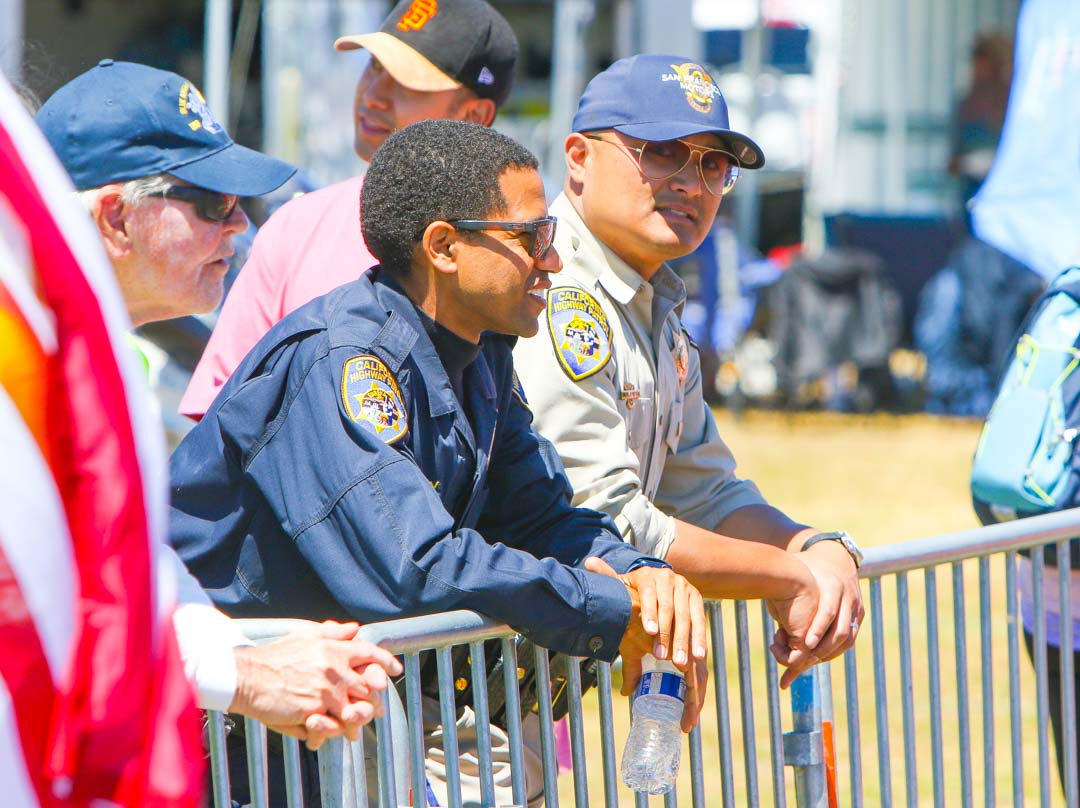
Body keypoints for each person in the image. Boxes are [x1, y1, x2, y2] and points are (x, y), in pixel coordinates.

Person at [168, 118, 711, 807]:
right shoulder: (347, 361)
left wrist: (643, 578)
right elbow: (413, 567)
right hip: (215, 733)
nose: (553, 260)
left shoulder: (480, 351)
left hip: (319, 722)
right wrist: (609, 610)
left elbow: (541, 516)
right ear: (444, 247)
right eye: (531, 238)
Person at [36, 59, 401, 750]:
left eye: (244, 205)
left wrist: (258, 658)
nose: (238, 225)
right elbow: (37, 596)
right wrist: (245, 677)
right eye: (212, 201)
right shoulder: (25, 362)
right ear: (115, 215)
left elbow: (137, 564)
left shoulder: (95, 354)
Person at [512, 54, 865, 682]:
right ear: (577, 158)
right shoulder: (547, 291)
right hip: (440, 701)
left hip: (525, 691)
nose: (690, 181)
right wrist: (791, 576)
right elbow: (601, 522)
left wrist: (812, 544)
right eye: (660, 150)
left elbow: (703, 490)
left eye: (714, 164)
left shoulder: (653, 301)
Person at [179, 0, 518, 419]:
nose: (374, 95)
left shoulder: (513, 254)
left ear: (473, 115)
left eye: (407, 82)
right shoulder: (296, 227)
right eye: (374, 66)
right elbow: (217, 416)